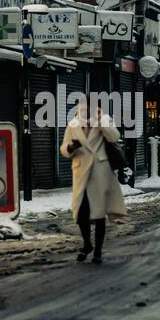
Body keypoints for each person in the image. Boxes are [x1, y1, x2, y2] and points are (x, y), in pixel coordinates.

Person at [60, 103, 126, 263]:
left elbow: (114, 136)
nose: (84, 112)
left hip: (99, 172)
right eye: (81, 109)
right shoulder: (73, 125)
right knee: (81, 214)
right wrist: (71, 147)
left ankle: (97, 251)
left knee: (99, 214)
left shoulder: (103, 121)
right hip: (81, 172)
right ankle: (87, 244)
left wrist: (101, 119)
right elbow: (63, 148)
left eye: (88, 109)